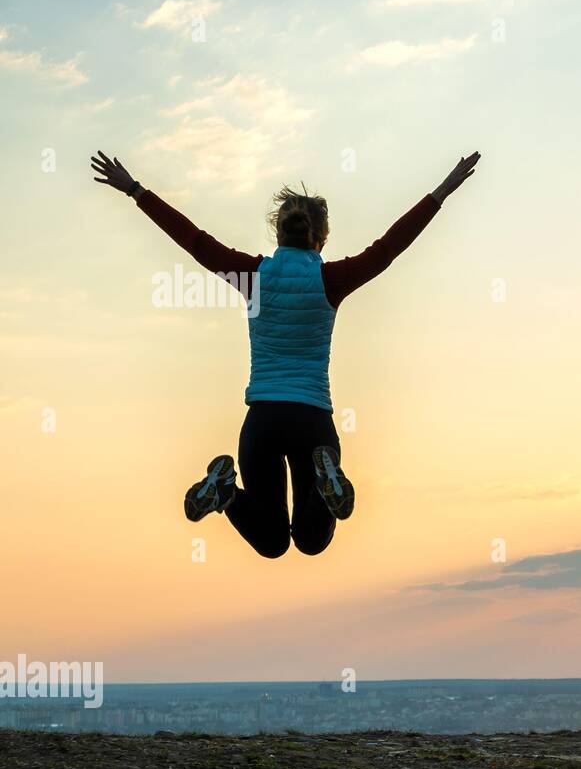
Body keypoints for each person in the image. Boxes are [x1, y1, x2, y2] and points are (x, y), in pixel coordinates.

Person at [91, 149, 480, 558]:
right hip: (313, 420)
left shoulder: (254, 277)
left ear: (278, 233)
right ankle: (325, 487)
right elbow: (388, 249)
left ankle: (224, 494)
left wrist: (136, 190)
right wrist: (442, 191)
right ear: (322, 237)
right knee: (311, 540)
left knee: (273, 541)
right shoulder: (331, 280)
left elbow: (194, 241)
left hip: (263, 421)